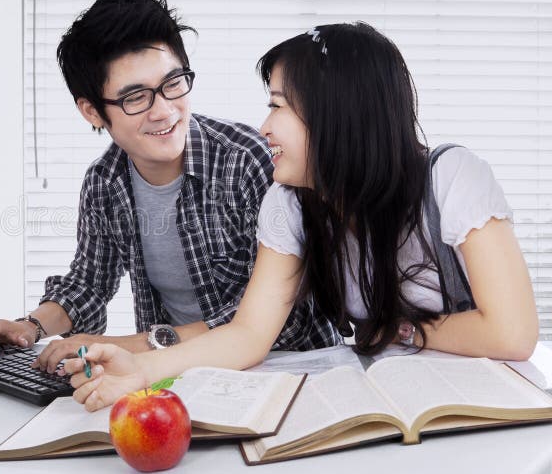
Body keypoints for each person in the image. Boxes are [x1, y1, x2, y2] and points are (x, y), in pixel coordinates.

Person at [64, 22, 539, 411]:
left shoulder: (451, 179)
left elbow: (512, 333)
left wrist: (404, 330)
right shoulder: (290, 202)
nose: (264, 127)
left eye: (277, 106)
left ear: (336, 116)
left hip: (488, 405)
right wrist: (142, 369)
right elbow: (249, 335)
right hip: (389, 398)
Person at [0, 0, 340, 372]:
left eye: (173, 84)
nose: (164, 111)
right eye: (135, 97)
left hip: (292, 369)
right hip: (177, 374)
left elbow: (278, 320)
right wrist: (26, 329)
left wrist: (131, 346)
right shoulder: (106, 182)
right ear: (91, 111)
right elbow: (88, 285)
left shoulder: (249, 160)